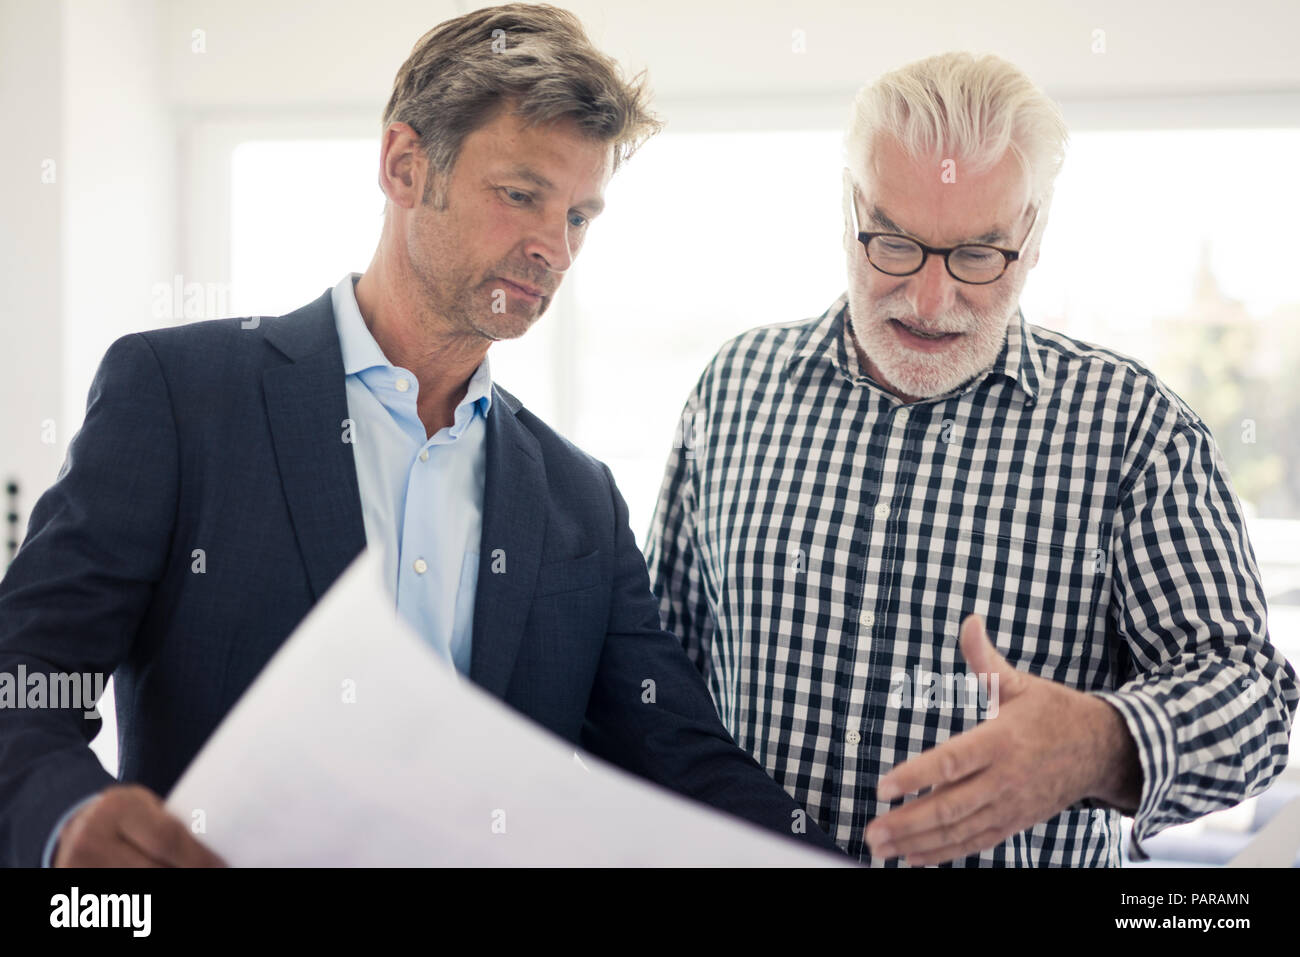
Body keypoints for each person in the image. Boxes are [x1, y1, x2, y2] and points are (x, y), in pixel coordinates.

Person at [0, 3, 840, 867]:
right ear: (404, 165)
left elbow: (686, 765)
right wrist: (68, 821)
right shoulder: (180, 396)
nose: (554, 246)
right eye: (521, 195)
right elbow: (24, 679)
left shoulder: (580, 502)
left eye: (580, 217)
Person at [645, 51, 1298, 867]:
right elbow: (655, 667)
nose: (928, 300)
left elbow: (1254, 700)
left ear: (1034, 237)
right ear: (850, 210)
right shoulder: (733, 389)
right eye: (893, 243)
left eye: (977, 256)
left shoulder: (1134, 430)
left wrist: (1101, 744)